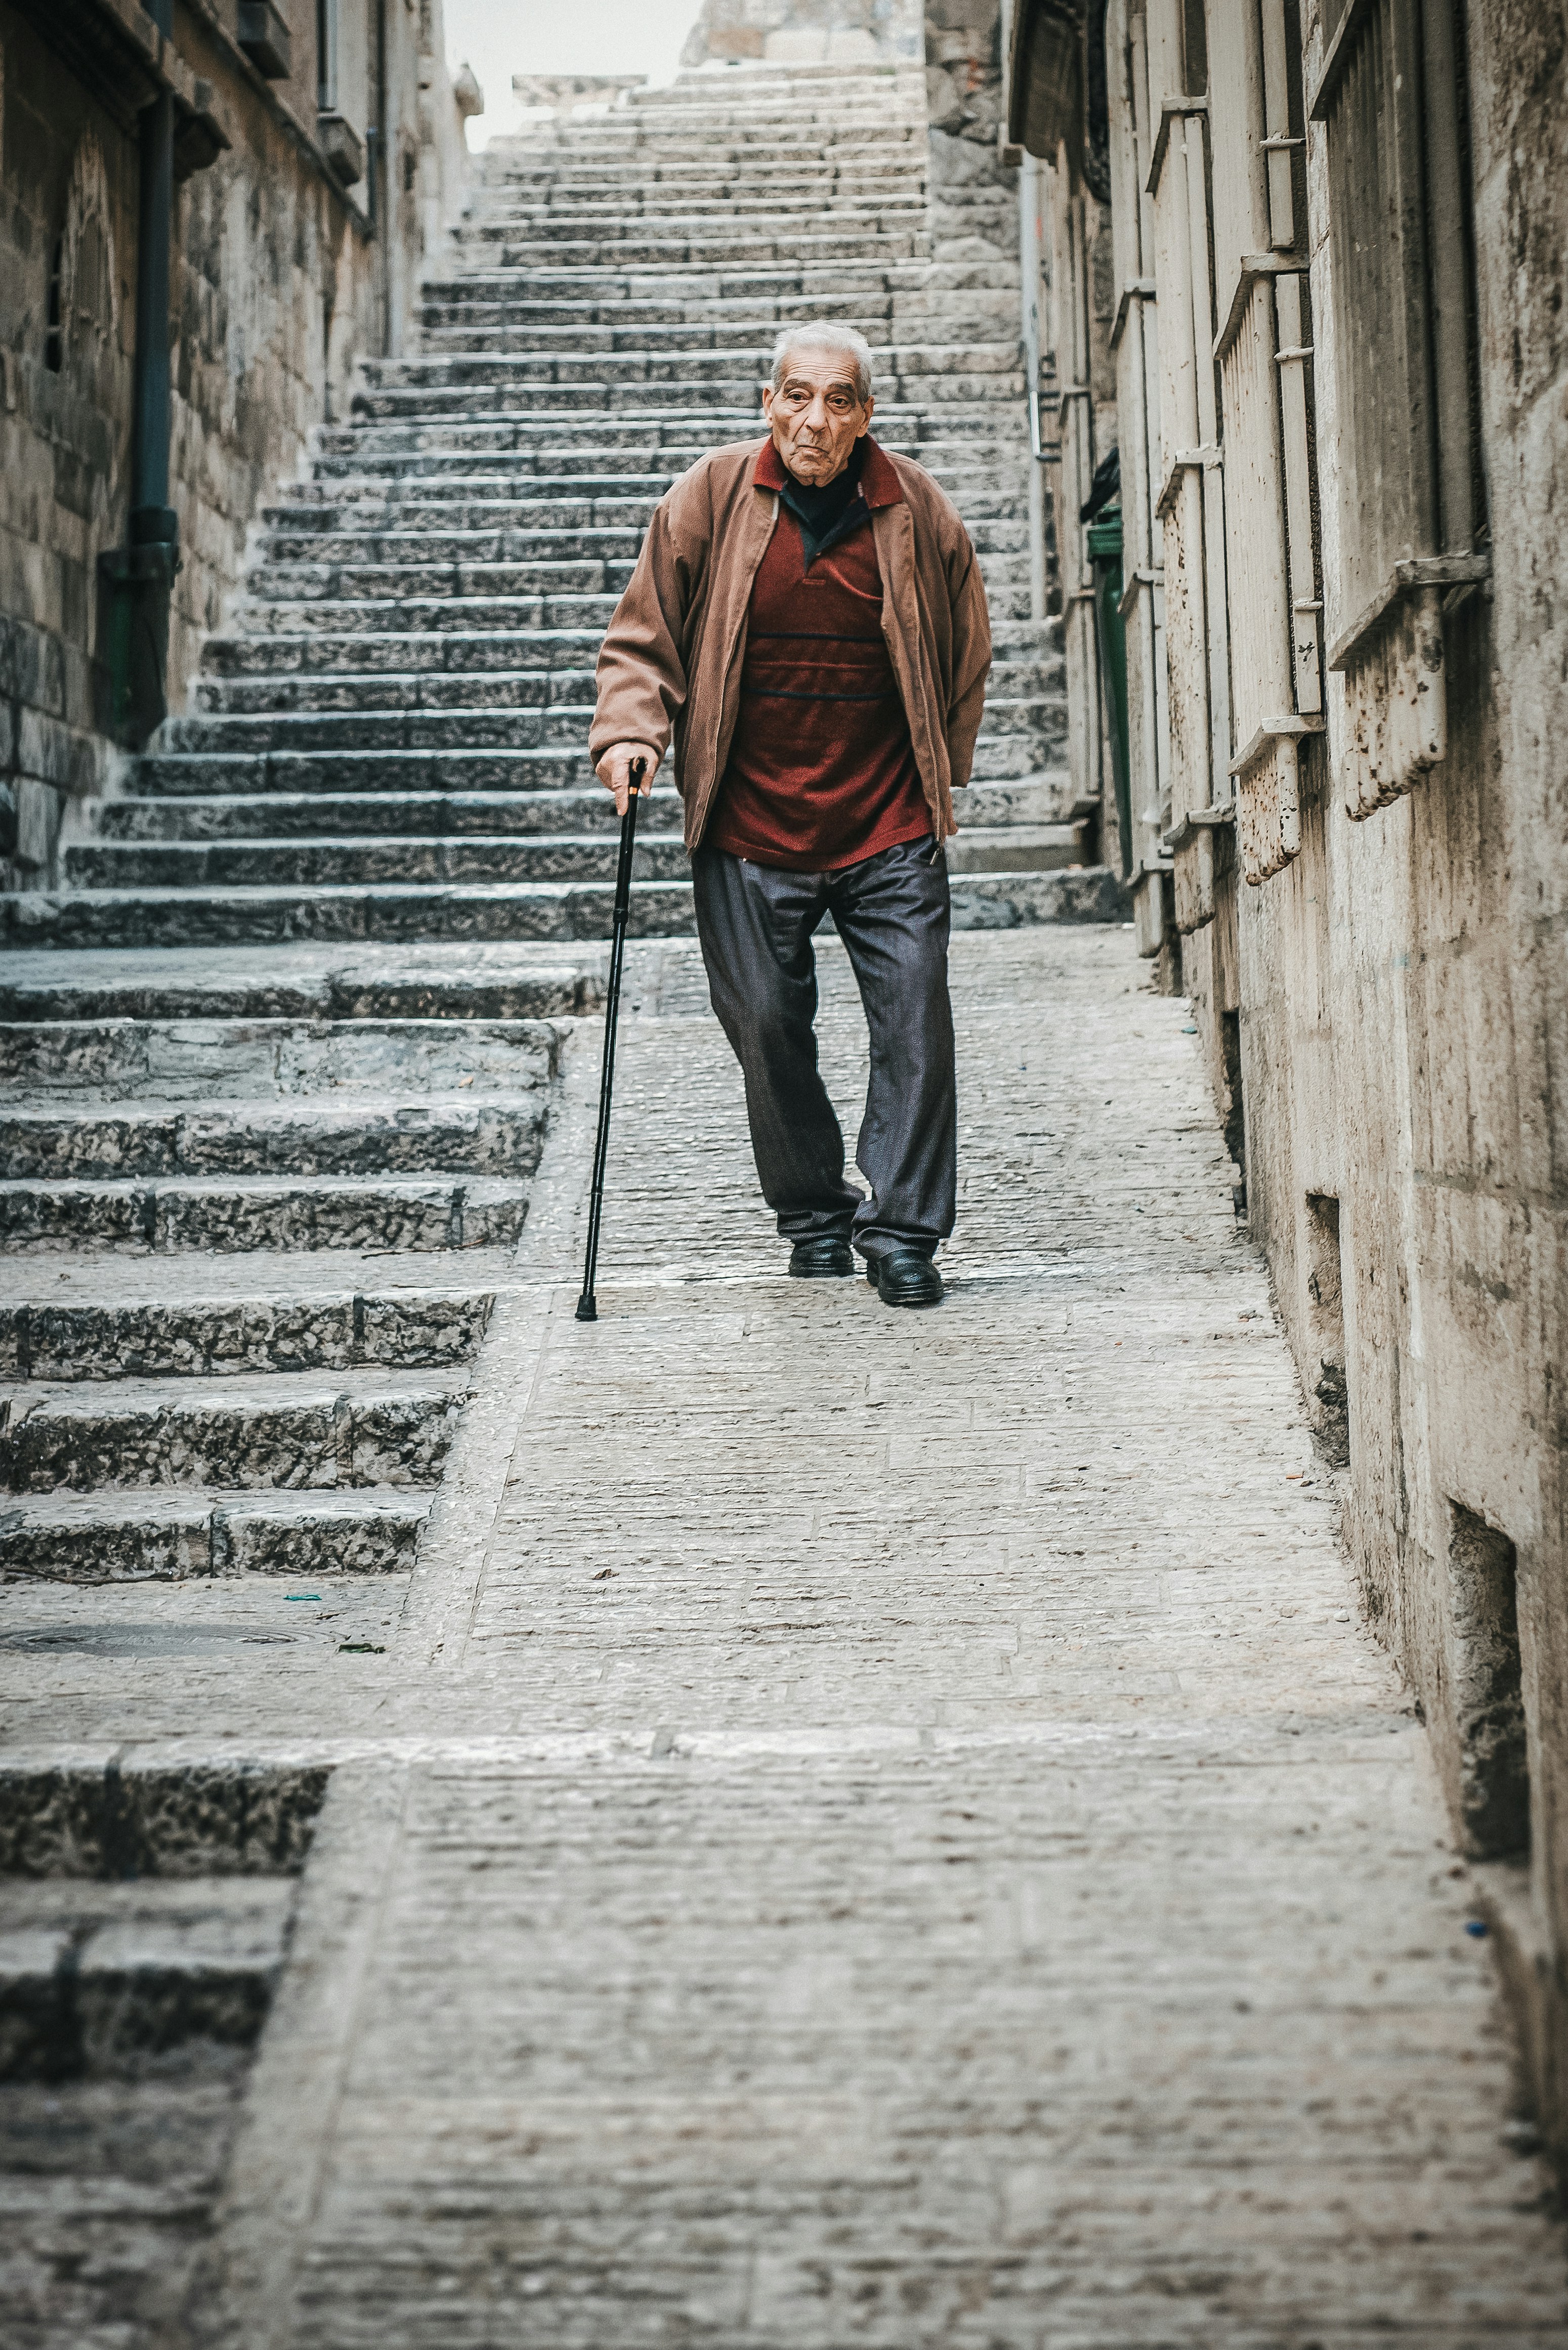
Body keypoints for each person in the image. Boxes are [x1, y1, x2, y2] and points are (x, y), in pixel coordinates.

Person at [589, 322, 992, 1308]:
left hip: (885, 819)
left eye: (839, 400)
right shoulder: (710, 496)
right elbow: (644, 636)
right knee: (765, 1025)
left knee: (916, 1020)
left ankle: (903, 1233)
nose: (816, 419)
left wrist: (936, 770)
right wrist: (630, 733)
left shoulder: (915, 508)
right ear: (768, 403)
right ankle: (813, 1213)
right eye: (798, 396)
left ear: (866, 415)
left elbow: (964, 645)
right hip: (748, 824)